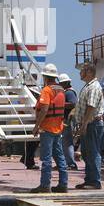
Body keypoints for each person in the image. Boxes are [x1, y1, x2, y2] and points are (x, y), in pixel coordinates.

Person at [29, 63, 68, 193]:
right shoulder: (61, 89)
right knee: (60, 157)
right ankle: (63, 184)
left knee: (46, 158)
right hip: (58, 127)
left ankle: (45, 185)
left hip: (47, 128)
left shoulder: (47, 90)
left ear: (45, 77)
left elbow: (44, 109)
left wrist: (36, 126)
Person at [72, 63, 104, 190]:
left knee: (93, 152)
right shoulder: (89, 86)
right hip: (90, 123)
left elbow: (91, 107)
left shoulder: (94, 87)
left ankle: (95, 181)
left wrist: (84, 124)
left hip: (92, 124)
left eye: (83, 71)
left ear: (89, 72)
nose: (80, 73)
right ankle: (89, 180)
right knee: (87, 153)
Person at [58, 73, 79, 169]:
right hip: (65, 120)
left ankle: (71, 163)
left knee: (67, 143)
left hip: (67, 121)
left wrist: (59, 103)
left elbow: (73, 104)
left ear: (65, 83)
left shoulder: (69, 93)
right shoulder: (67, 92)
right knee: (64, 143)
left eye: (61, 83)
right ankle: (66, 163)